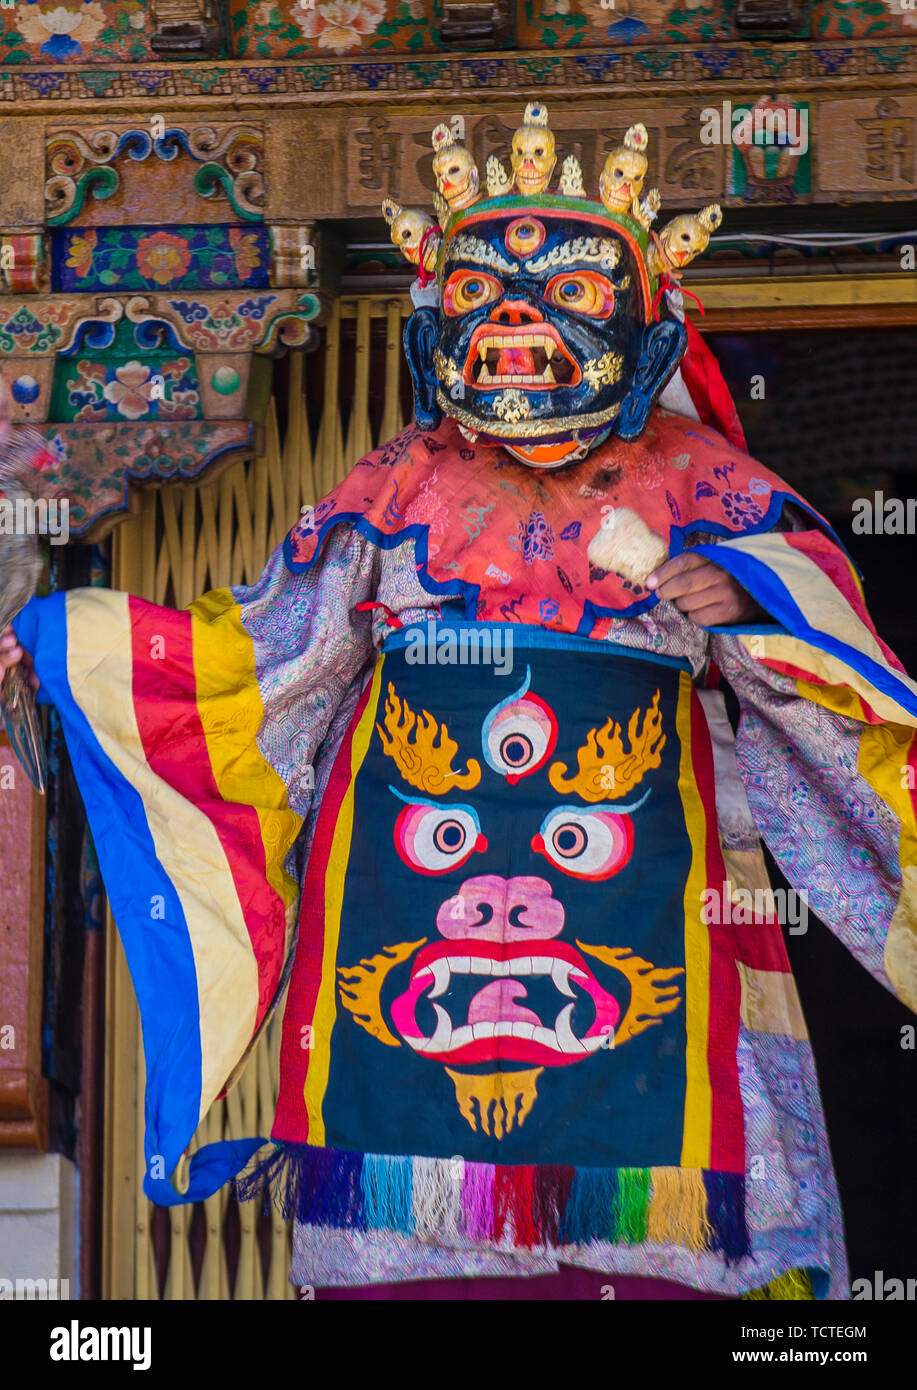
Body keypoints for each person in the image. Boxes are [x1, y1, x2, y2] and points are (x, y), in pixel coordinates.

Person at [1, 105, 915, 1301]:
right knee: (409, 1225)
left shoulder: (715, 488)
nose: (518, 324)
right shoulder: (395, 481)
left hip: (651, 886)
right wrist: (62, 638)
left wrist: (744, 607)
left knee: (684, 1235)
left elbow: (852, 705)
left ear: (645, 325)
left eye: (568, 291)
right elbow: (263, 662)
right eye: (483, 291)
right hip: (411, 884)